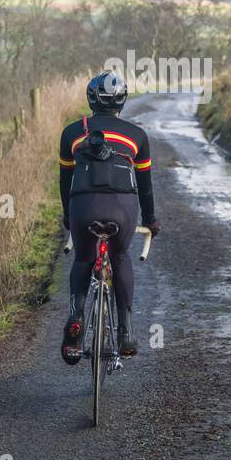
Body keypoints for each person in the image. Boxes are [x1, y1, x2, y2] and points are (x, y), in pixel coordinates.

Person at [58, 70, 159, 364]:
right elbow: (145, 185)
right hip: (122, 208)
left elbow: (65, 182)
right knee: (119, 257)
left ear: (91, 100)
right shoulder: (137, 136)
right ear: (122, 101)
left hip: (83, 206)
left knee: (83, 258)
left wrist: (68, 216)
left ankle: (76, 316)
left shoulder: (71, 133)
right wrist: (151, 220)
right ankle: (126, 332)